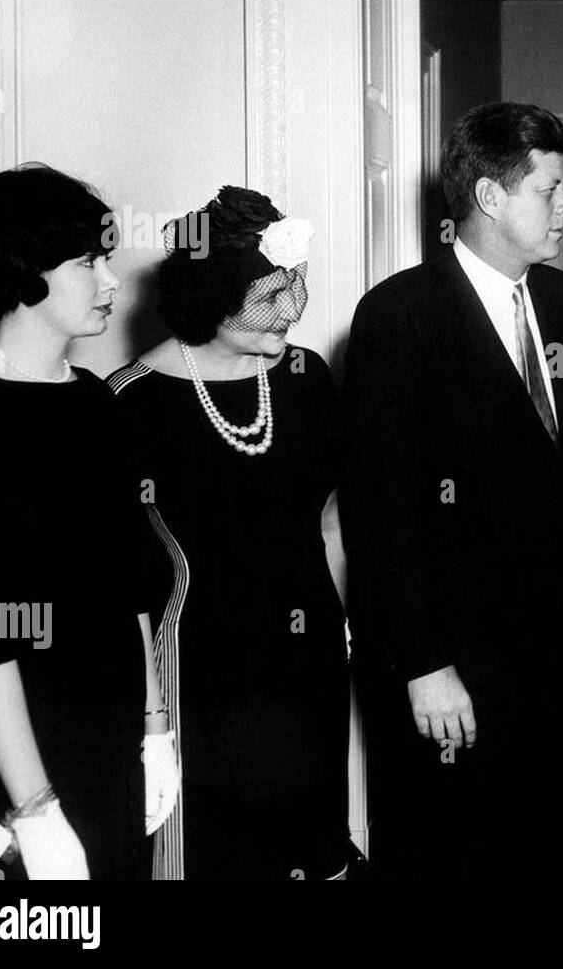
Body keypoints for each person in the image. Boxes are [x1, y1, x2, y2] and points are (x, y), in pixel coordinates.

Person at [340, 101, 563, 880]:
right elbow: (378, 510)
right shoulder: (397, 316)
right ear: (491, 198)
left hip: (560, 659)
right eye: (550, 189)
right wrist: (423, 664)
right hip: (453, 669)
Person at [107, 187, 350, 880]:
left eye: (297, 285)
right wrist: (150, 715)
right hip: (199, 671)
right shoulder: (132, 398)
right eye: (270, 294)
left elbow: (331, 522)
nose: (294, 309)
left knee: (309, 851)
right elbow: (119, 573)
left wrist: (338, 630)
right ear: (214, 292)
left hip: (309, 664)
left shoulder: (307, 379)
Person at [0, 164, 177, 879]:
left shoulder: (97, 405)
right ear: (23, 272)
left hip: (110, 746)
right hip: (15, 760)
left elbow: (131, 588)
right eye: (88, 262)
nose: (110, 281)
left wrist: (154, 728)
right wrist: (35, 807)